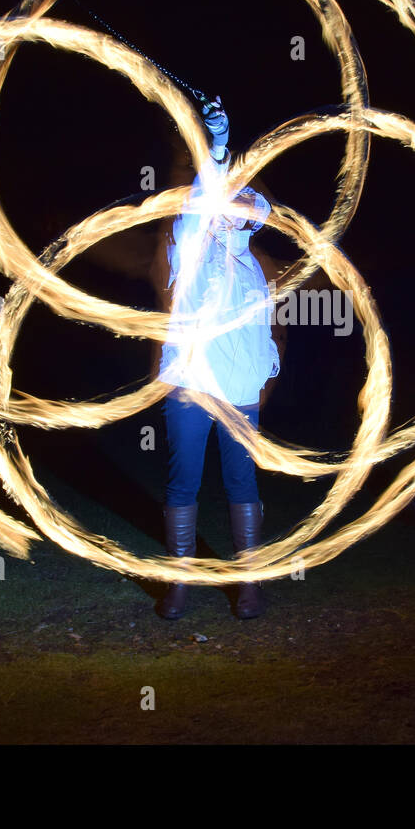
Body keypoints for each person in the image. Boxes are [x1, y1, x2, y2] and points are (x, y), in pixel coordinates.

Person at [153, 95, 279, 620]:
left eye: (245, 212)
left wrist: (260, 377)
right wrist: (219, 147)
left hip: (240, 391)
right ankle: (180, 581)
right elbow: (202, 197)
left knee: (242, 481)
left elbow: (262, 338)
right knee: (183, 480)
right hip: (190, 384)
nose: (235, 216)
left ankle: (247, 582)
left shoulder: (252, 271)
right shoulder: (189, 244)